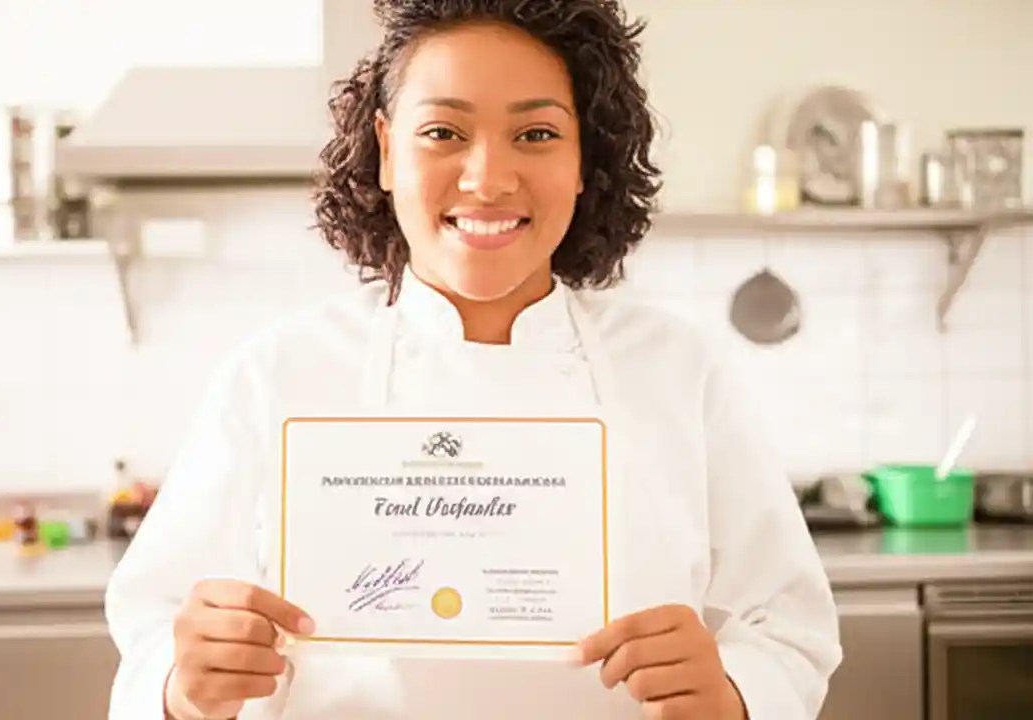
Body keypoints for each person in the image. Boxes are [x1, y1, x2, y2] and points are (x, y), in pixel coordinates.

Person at [104, 1, 842, 718]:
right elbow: (153, 633)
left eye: (537, 134)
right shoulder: (275, 375)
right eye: (444, 131)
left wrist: (736, 695)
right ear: (388, 150)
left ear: (587, 157)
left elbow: (791, 625)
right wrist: (182, 687)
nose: (487, 179)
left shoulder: (678, 370)